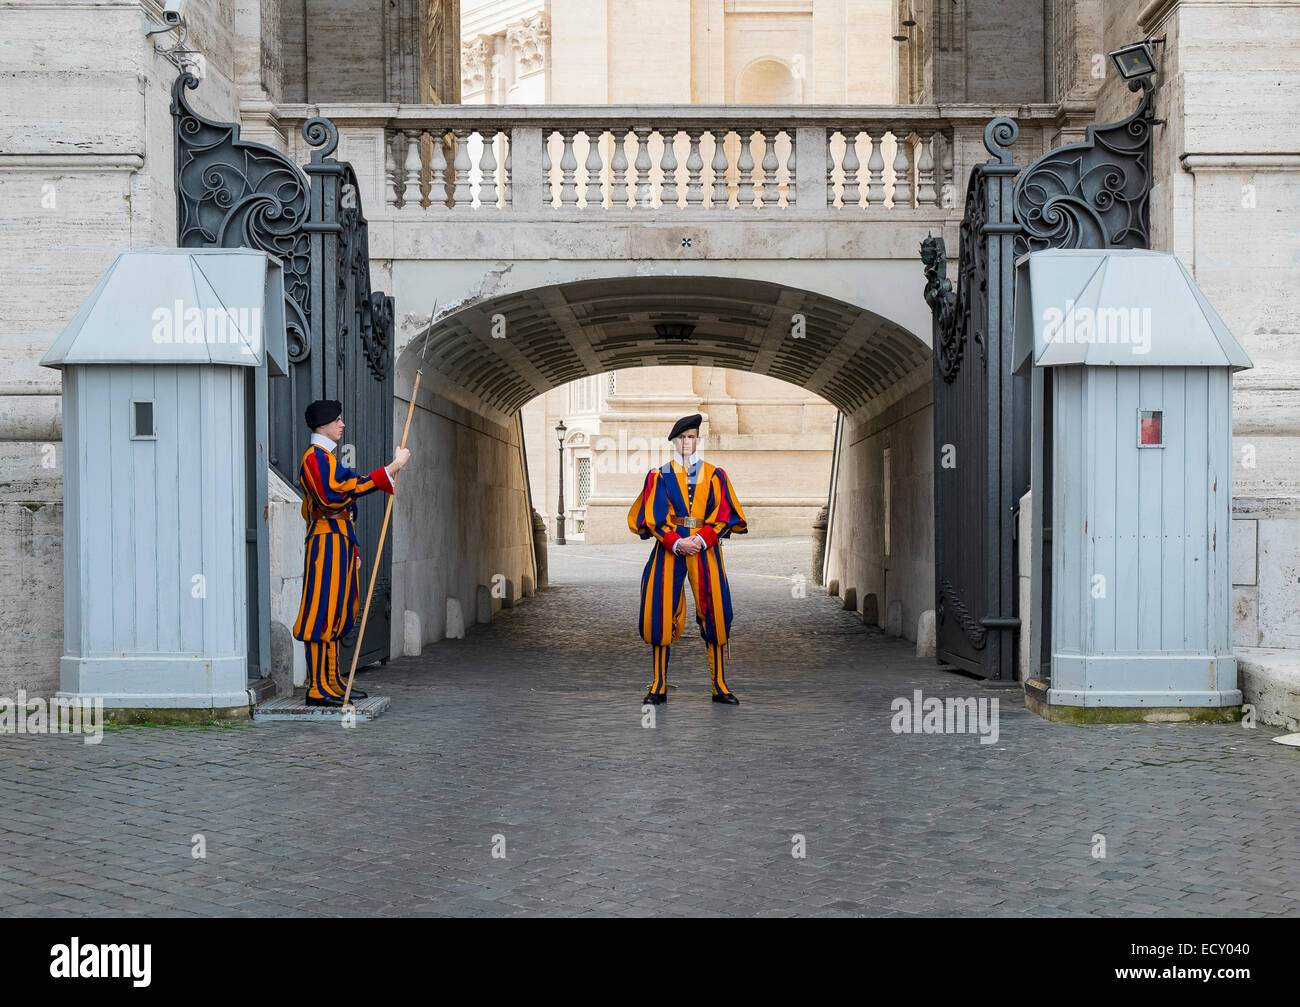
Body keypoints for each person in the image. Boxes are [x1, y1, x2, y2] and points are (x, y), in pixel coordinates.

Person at [292, 399, 411, 707]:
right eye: (338, 420)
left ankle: (332, 681)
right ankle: (318, 687)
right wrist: (390, 469)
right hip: (326, 540)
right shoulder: (315, 459)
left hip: (340, 540)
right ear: (323, 424)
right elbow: (335, 494)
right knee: (321, 612)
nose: (342, 424)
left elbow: (346, 489)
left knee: (337, 612)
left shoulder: (327, 458)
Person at [627, 413, 747, 706]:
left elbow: (724, 514)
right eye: (681, 437)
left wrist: (703, 539)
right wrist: (677, 542)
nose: (687, 442)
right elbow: (653, 517)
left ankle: (719, 685)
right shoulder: (660, 475)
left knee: (717, 613)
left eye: (691, 437)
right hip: (670, 550)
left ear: (697, 440)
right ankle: (658, 685)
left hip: (706, 549)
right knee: (659, 612)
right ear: (674, 441)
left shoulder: (715, 474)